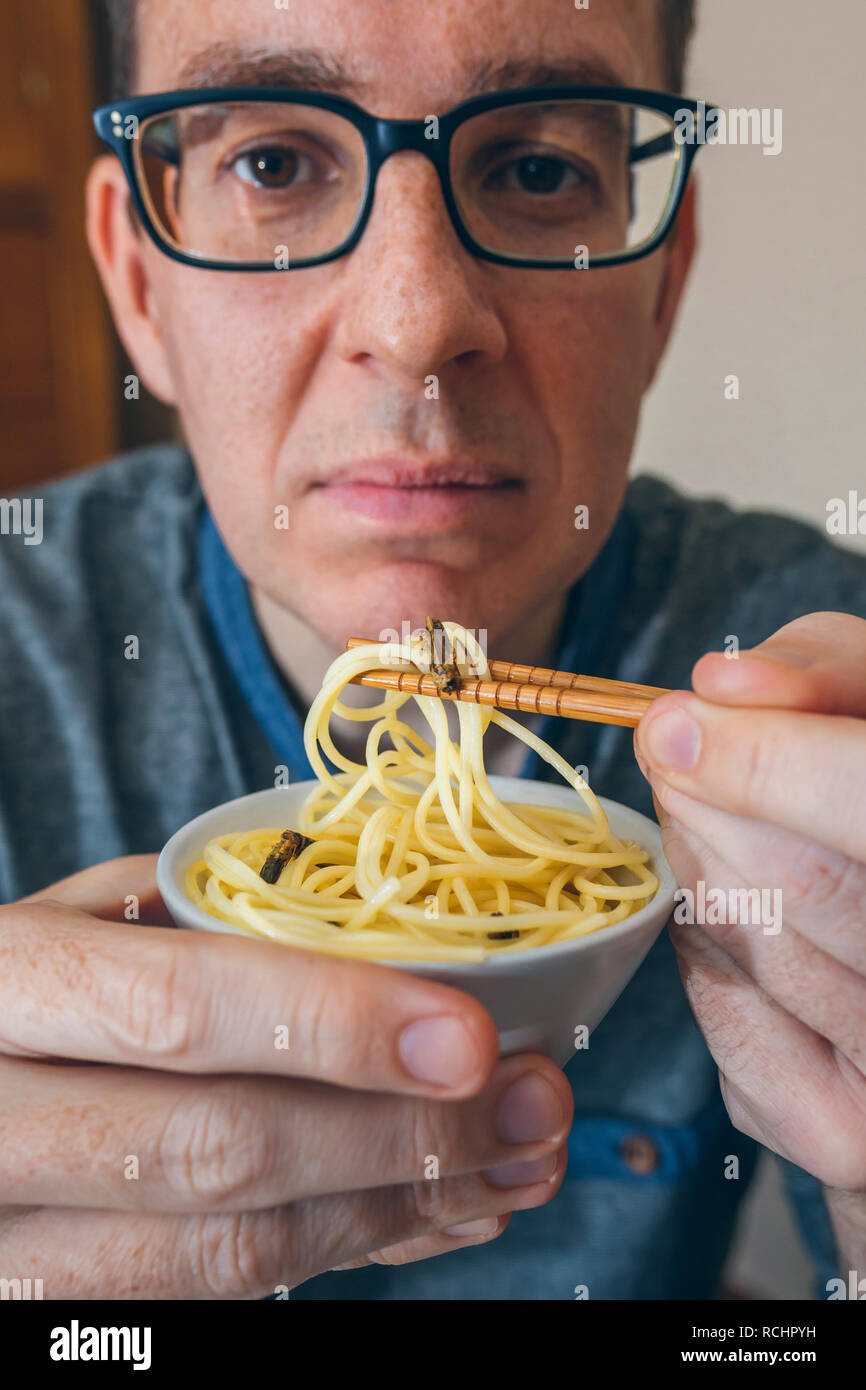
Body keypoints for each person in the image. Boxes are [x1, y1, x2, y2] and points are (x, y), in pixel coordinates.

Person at [0, 0, 863, 1301]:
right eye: (273, 164)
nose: (415, 322)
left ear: (661, 282)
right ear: (137, 282)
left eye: (534, 170)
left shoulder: (809, 678)